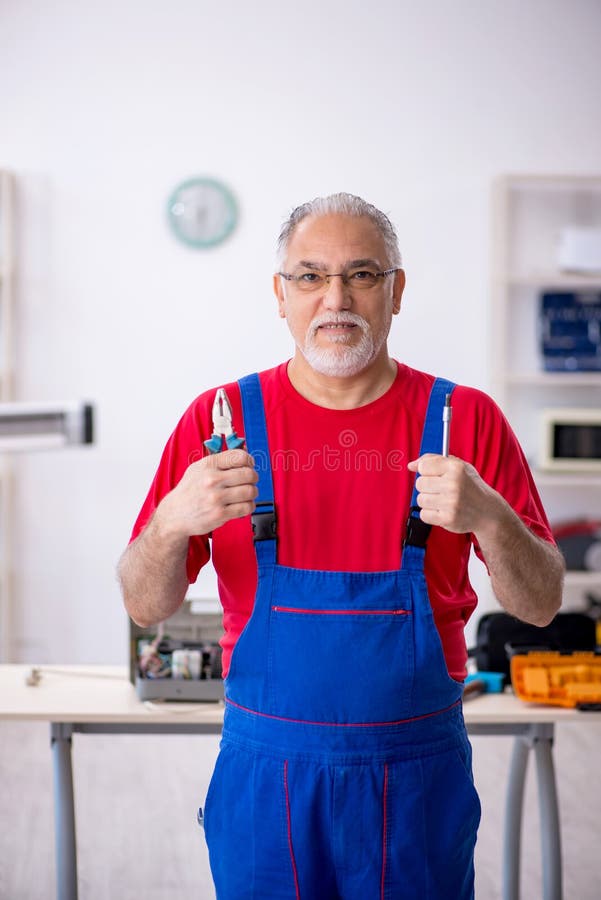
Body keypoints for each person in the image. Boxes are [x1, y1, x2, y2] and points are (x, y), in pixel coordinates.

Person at [118, 192, 564, 899]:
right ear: (280, 294)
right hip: (266, 777)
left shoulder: (464, 421)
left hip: (416, 782)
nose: (335, 299)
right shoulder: (218, 424)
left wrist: (491, 518)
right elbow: (145, 603)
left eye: (361, 274)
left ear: (396, 291)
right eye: (310, 276)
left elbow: (540, 605)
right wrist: (172, 521)